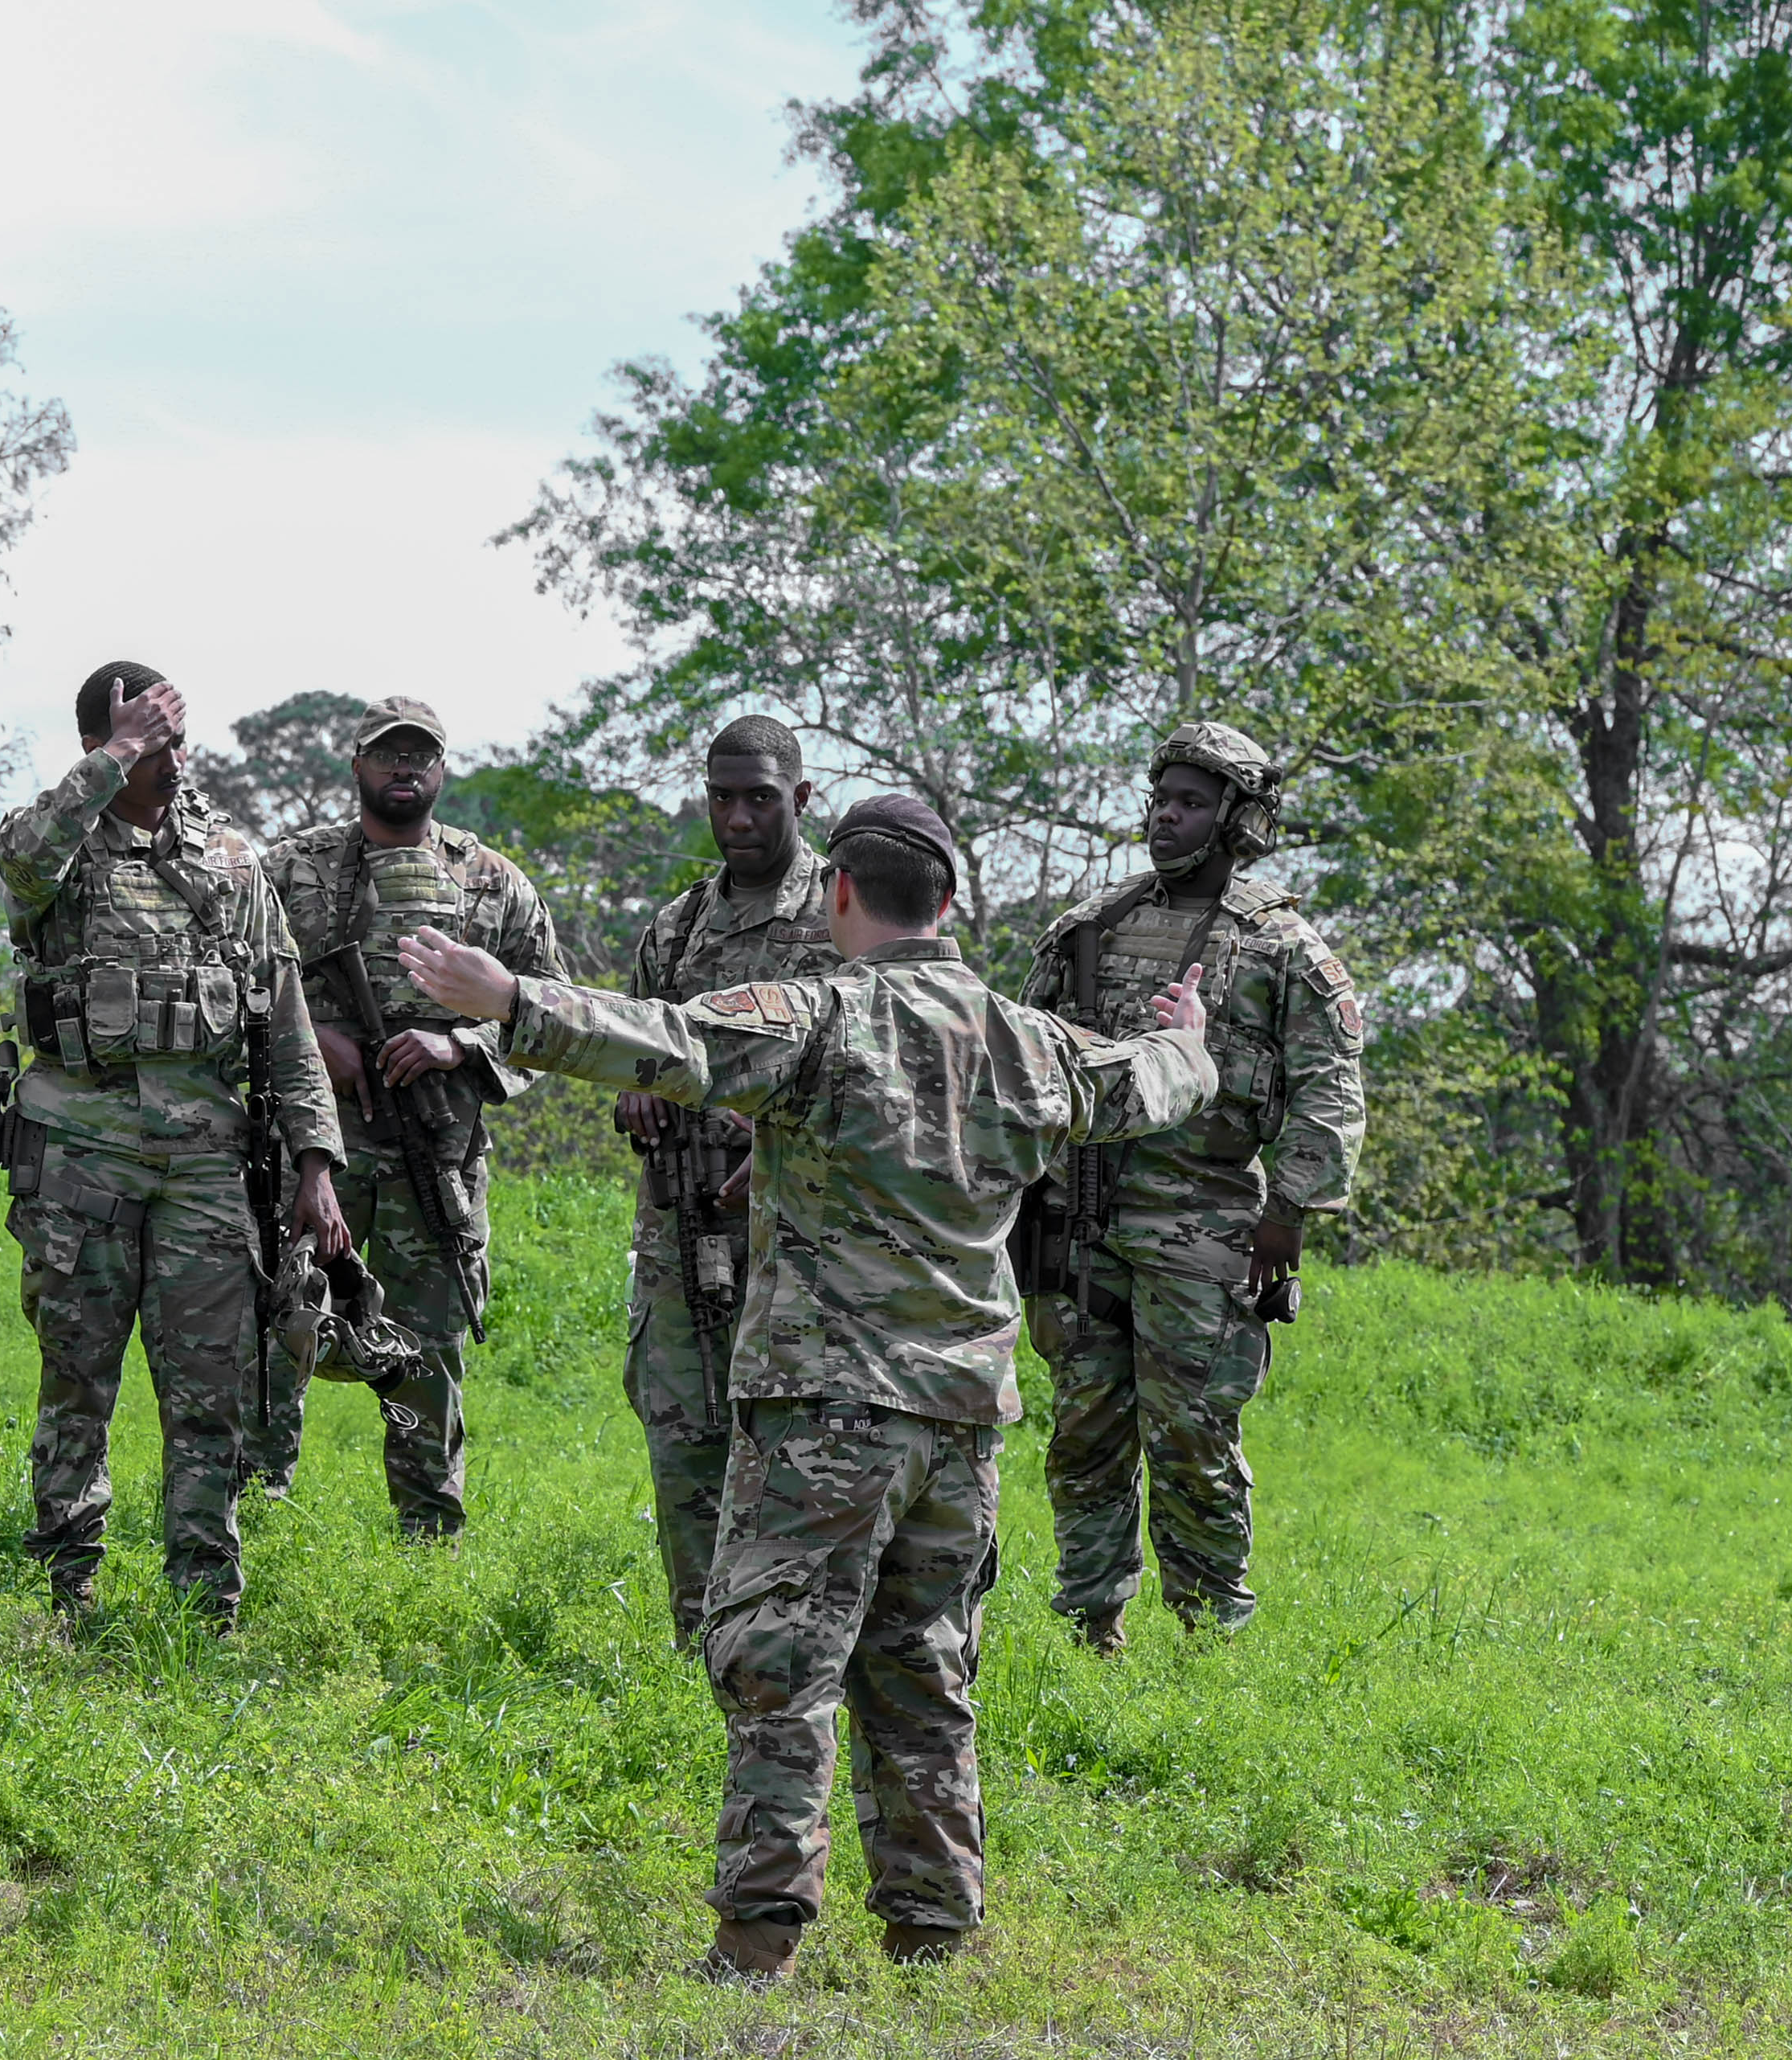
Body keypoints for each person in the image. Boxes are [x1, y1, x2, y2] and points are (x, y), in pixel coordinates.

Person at [399, 794, 1217, 1979]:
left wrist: (510, 1000)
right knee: (926, 1665)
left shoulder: (820, 1013)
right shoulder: (1024, 1039)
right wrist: (1189, 1033)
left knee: (779, 1665)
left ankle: (758, 1936)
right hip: (963, 1420)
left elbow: (664, 1039)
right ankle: (932, 1927)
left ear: (838, 892)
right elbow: (1150, 1081)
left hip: (829, 1410)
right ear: (949, 902)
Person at [0, 662, 350, 1625]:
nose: (169, 757)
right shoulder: (56, 845)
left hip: (202, 1164)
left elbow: (287, 1023)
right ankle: (65, 1592)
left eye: (177, 738)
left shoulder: (230, 862)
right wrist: (115, 754)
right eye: (149, 738)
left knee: (211, 1391)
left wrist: (315, 1161)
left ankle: (203, 1606)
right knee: (77, 1380)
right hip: (80, 1154)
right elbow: (15, 865)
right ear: (101, 744)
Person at [1017, 722, 1366, 1648]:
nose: (1165, 817)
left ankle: (1209, 1634)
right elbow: (1023, 1062)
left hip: (1206, 1219)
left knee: (1192, 1438)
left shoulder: (1280, 946)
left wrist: (1287, 1214)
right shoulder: (1090, 927)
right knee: (1084, 1432)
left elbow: (1329, 1089)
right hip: (1082, 1213)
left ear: (1238, 819)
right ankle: (1091, 1623)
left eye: (1190, 802)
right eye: (1159, 798)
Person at [243, 694, 563, 1537]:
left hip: (439, 1155)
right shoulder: (289, 870)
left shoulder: (494, 884)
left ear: (442, 769)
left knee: (426, 1346)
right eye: (387, 754)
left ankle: (427, 1532)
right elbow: (234, 986)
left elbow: (552, 1015)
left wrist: (458, 1049)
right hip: (315, 1152)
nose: (403, 768)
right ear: (356, 765)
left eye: (419, 755)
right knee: (283, 1319)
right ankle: (256, 1512)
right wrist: (317, 1042)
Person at [616, 715, 844, 1638]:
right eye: (722, 797)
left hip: (810, 1244)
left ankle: (803, 1640)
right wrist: (632, 1097)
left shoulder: (848, 911)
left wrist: (782, 1138)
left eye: (759, 797)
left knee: (807, 1449)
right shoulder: (674, 930)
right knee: (683, 1440)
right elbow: (627, 1051)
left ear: (800, 797)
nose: (738, 816)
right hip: (683, 1225)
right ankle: (698, 1641)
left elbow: (906, 1064)